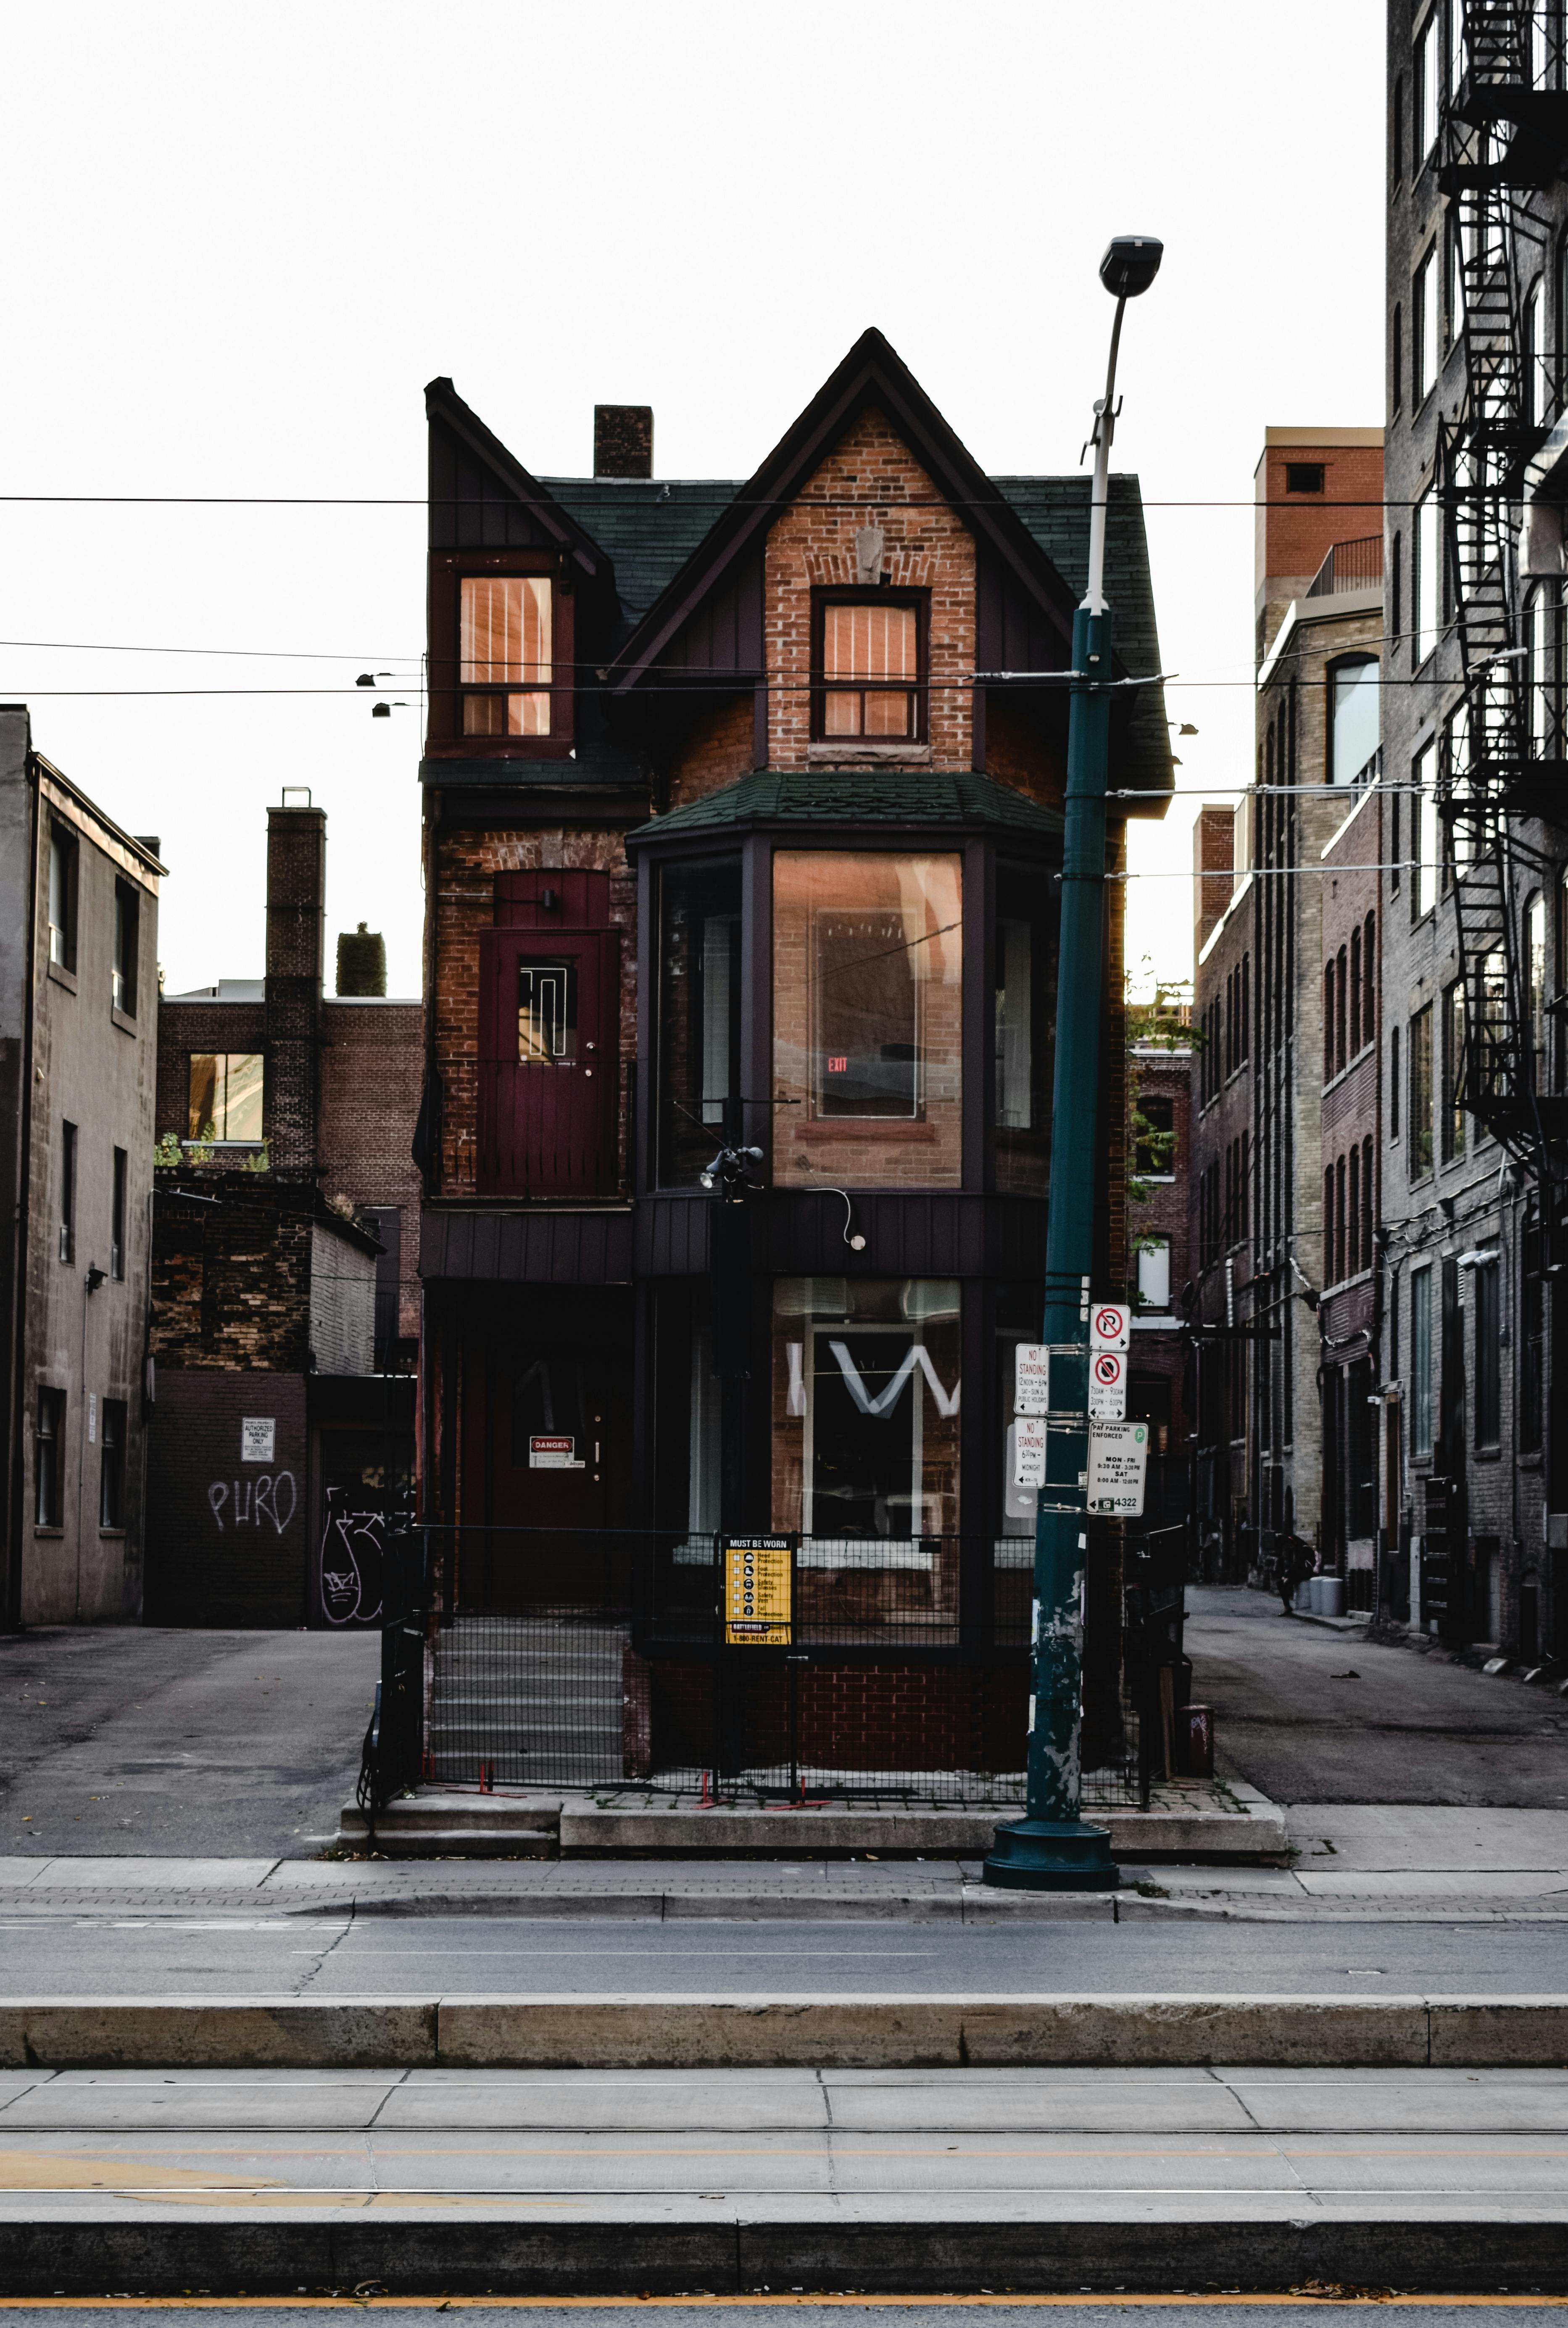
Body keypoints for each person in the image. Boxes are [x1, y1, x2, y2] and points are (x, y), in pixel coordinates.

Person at [1278, 1530, 1315, 1616]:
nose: (1291, 1547)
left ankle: (1287, 1607)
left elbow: (1297, 1564)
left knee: (1283, 1584)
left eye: (1291, 1545)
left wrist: (1286, 1576)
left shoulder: (1305, 1550)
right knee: (1281, 1584)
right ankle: (1287, 1606)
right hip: (1300, 1573)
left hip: (1306, 1573)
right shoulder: (1300, 1549)